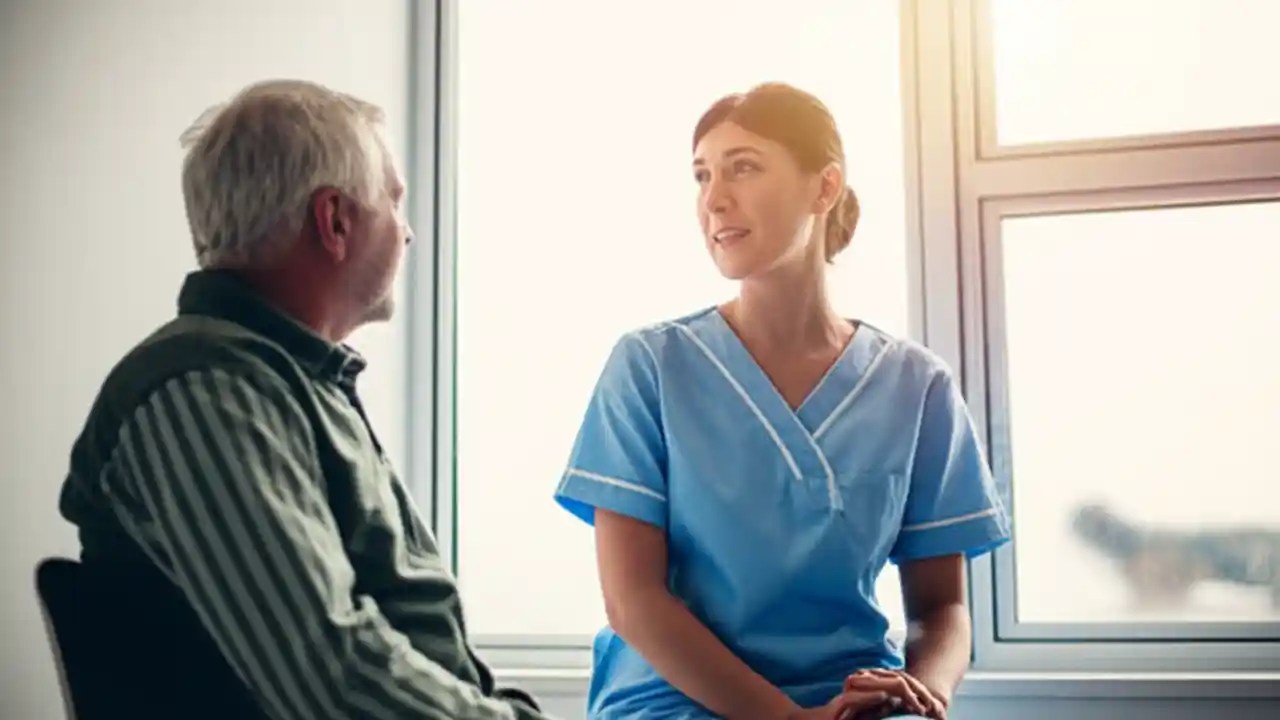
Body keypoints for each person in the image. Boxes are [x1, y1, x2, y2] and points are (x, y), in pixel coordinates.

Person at [59, 79, 552, 720]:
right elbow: (330, 678)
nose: (406, 234)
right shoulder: (206, 390)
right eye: (394, 204)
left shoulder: (282, 382)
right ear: (335, 221)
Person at [553, 82, 1012, 720]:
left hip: (854, 701)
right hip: (672, 701)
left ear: (824, 188)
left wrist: (925, 693)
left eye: (743, 167)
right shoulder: (652, 367)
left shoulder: (916, 385)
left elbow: (942, 608)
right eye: (702, 175)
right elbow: (632, 600)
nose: (714, 199)